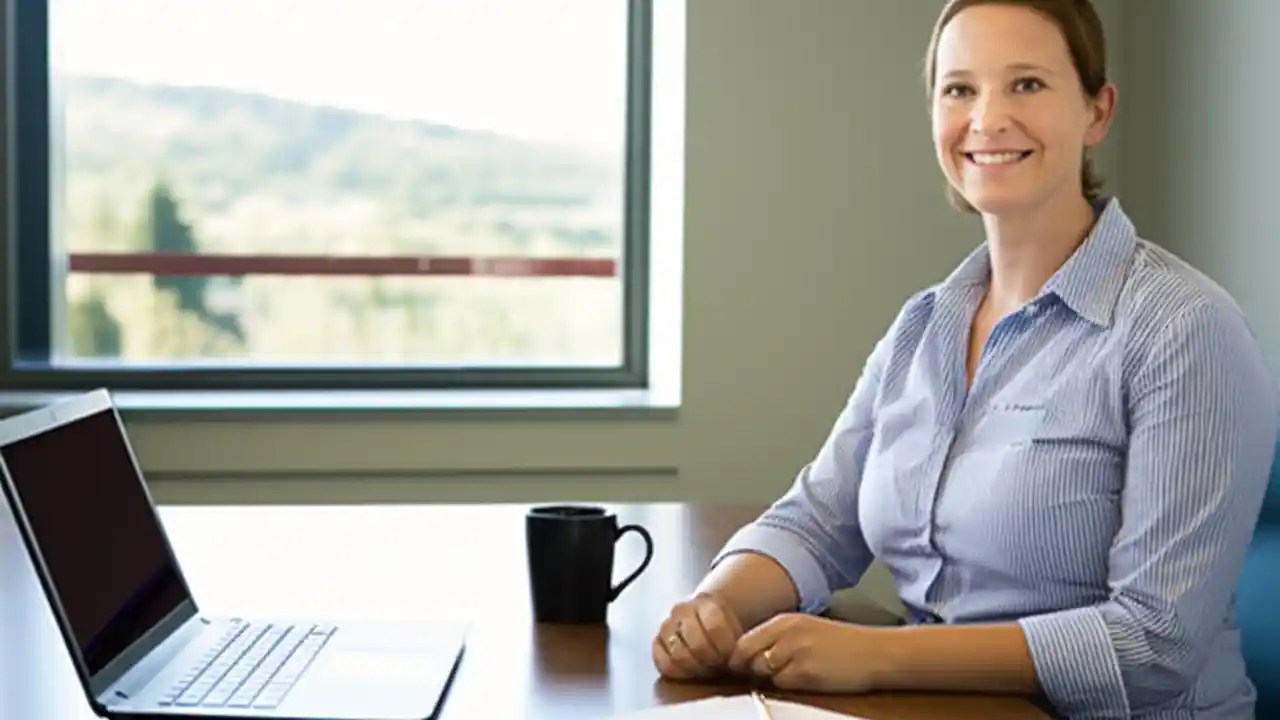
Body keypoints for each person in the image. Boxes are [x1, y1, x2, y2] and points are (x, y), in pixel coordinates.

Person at [651, 1, 1279, 717]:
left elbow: (1154, 644)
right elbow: (818, 521)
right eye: (959, 89)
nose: (987, 119)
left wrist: (875, 657)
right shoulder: (925, 326)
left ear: (1097, 111)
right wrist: (714, 607)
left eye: (1027, 85)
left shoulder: (1184, 330)